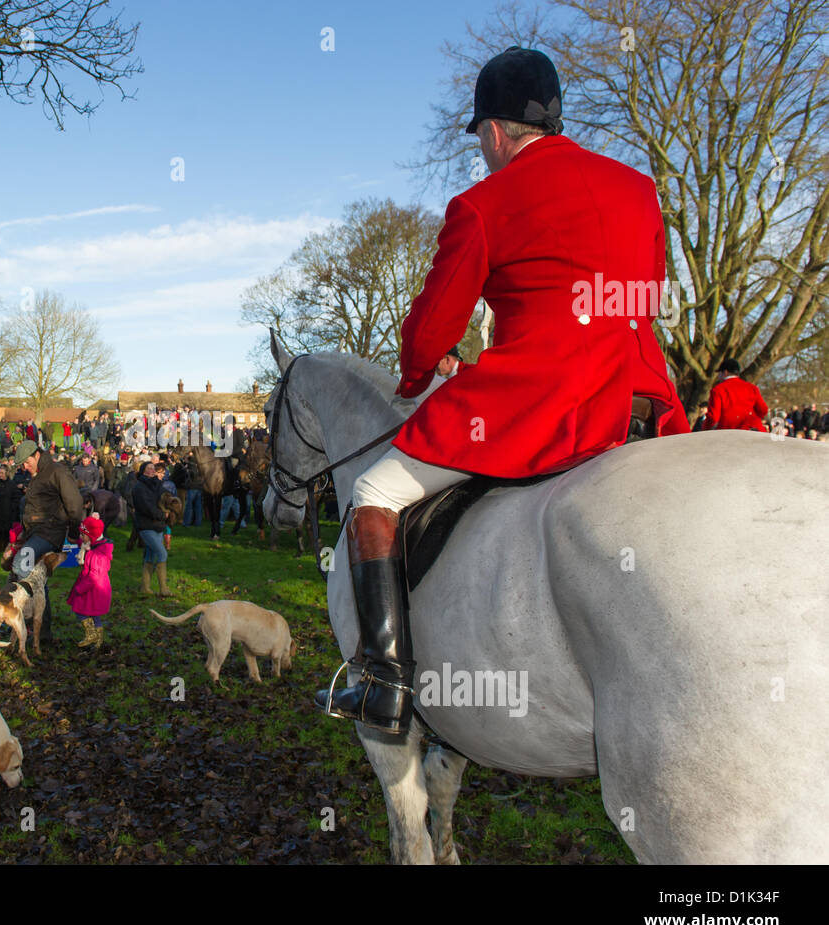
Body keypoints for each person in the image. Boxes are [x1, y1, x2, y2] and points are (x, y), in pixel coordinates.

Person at [314, 47, 687, 734]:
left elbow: (429, 332)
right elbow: (639, 300)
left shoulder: (483, 204)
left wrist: (419, 374)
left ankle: (385, 682)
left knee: (372, 492)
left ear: (492, 132)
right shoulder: (639, 190)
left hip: (540, 406)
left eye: (481, 140)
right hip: (638, 404)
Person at [11, 440, 84, 638]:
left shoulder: (56, 471)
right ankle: (41, 630)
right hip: (35, 532)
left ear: (36, 455)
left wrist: (75, 532)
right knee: (37, 578)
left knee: (20, 566)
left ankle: (29, 621)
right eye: (22, 465)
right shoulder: (38, 474)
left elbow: (75, 504)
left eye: (26, 463)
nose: (24, 468)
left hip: (50, 532)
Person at [68, 515, 113, 649]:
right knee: (95, 615)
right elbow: (82, 540)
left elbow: (94, 576)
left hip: (92, 589)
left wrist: (80, 588)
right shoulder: (93, 546)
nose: (81, 538)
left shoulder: (97, 555)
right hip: (94, 588)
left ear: (92, 536)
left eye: (83, 535)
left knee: (80, 611)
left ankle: (91, 634)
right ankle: (98, 641)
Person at [131, 460, 172, 596]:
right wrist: (162, 514)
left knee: (150, 556)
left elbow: (166, 495)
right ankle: (164, 589)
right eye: (149, 468)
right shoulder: (139, 487)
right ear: (143, 471)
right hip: (146, 526)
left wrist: (172, 502)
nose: (153, 470)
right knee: (162, 554)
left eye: (153, 468)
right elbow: (146, 507)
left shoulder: (157, 484)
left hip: (158, 526)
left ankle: (145, 588)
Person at [701, 359, 769, 431]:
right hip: (754, 430)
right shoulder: (752, 388)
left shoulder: (718, 390)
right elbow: (763, 410)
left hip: (730, 432)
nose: (718, 376)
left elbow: (713, 417)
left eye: (719, 373)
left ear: (725, 372)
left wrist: (705, 429)